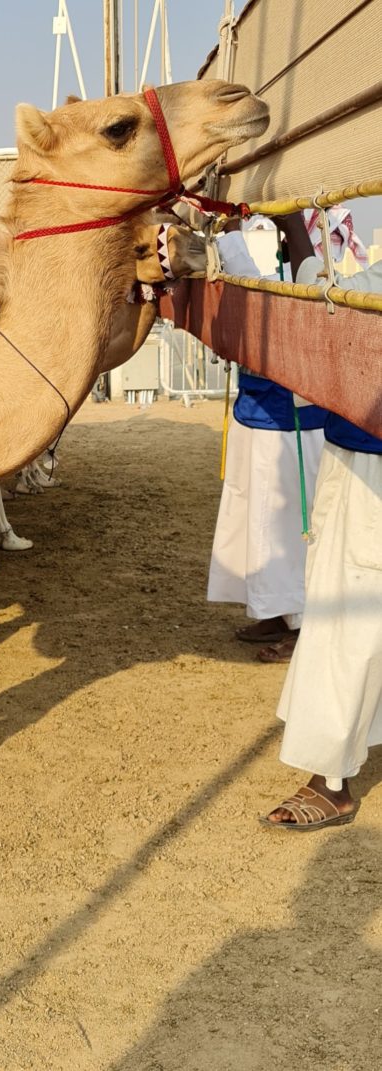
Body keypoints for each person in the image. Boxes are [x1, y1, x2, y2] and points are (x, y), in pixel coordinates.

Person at [261, 211, 382, 829]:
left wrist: (291, 229)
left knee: (346, 620)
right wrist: (292, 231)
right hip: (355, 459)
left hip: (371, 476)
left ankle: (331, 782)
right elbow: (326, 297)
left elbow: (326, 317)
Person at [207, 217, 328, 663]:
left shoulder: (319, 290)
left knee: (290, 528)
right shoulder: (269, 287)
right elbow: (247, 285)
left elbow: (285, 291)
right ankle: (276, 612)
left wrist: (290, 226)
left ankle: (303, 625)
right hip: (257, 416)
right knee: (255, 520)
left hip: (294, 427)